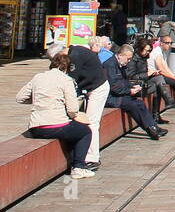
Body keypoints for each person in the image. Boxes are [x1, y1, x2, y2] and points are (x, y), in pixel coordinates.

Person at [17, 52, 94, 179]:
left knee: (72, 132)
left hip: (36, 128)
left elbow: (20, 98)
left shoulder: (38, 77)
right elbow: (73, 109)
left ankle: (72, 165)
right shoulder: (66, 80)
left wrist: (39, 100)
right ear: (67, 68)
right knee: (85, 131)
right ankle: (79, 167)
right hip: (56, 126)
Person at [67, 36, 111, 172]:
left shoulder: (75, 56)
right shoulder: (76, 51)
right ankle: (82, 153)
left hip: (98, 88)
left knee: (92, 122)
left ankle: (92, 158)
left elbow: (71, 81)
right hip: (91, 87)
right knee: (86, 122)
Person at [104, 44, 165, 139]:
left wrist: (132, 86)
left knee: (139, 103)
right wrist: (129, 91)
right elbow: (114, 86)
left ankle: (153, 127)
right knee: (133, 105)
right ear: (120, 55)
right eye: (128, 59)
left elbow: (123, 81)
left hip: (119, 94)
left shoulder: (120, 64)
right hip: (110, 97)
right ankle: (150, 129)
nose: (128, 62)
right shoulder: (110, 65)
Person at [126, 38, 172, 123]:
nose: (148, 53)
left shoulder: (144, 57)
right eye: (146, 50)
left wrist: (152, 73)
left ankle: (164, 106)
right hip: (135, 86)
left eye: (149, 51)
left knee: (158, 79)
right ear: (140, 48)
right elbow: (131, 76)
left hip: (144, 82)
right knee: (157, 85)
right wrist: (147, 74)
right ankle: (161, 109)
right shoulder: (133, 59)